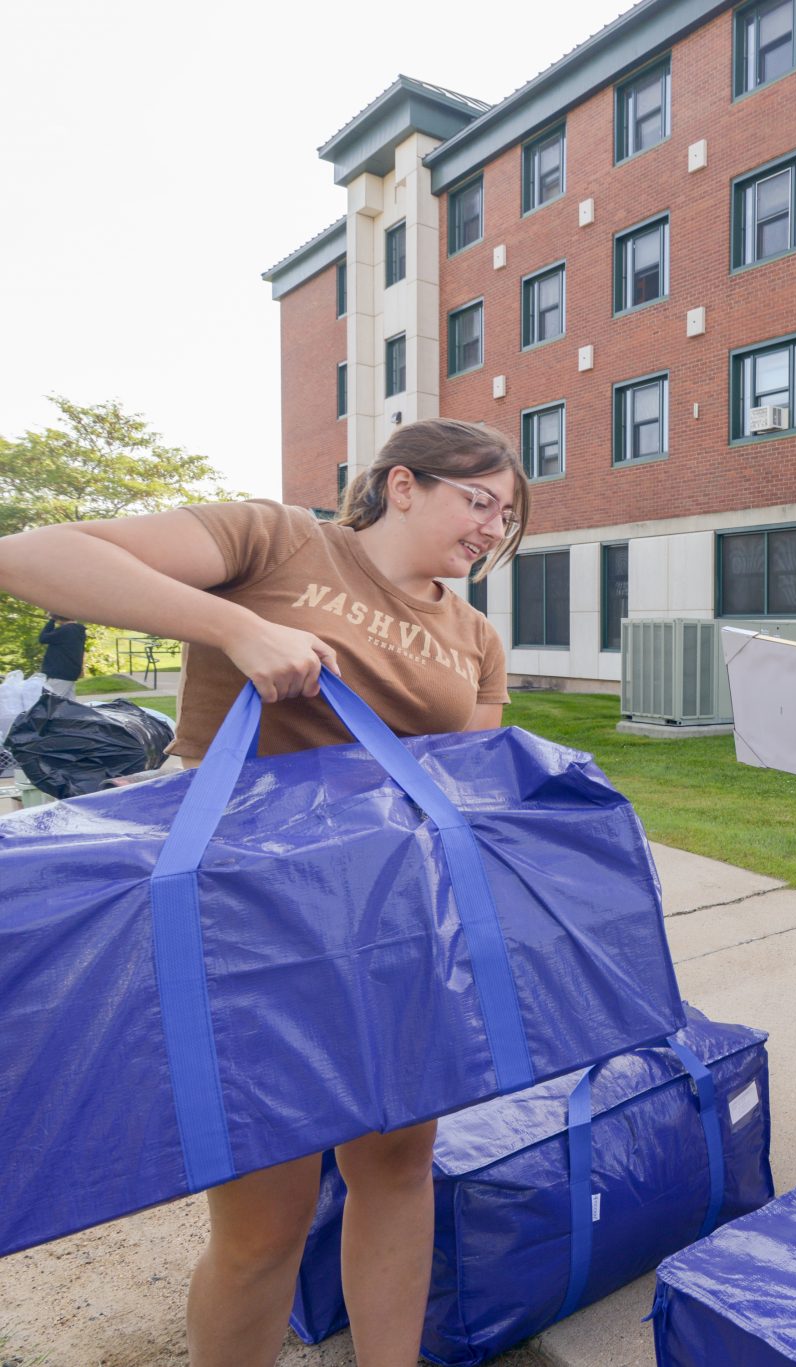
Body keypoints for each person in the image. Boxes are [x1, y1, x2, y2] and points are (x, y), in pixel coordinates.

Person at [0, 417, 526, 1367]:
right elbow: (31, 557)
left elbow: (466, 783)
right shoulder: (278, 539)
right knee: (264, 1221)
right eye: (479, 502)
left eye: (507, 516)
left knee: (400, 1170)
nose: (493, 528)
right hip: (250, 924)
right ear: (403, 484)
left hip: (397, 923)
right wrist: (237, 625)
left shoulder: (476, 636)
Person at [36, 615, 86, 699]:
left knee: (50, 702)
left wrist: (51, 621)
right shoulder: (79, 631)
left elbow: (43, 638)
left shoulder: (65, 630)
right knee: (68, 703)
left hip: (59, 672)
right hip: (71, 671)